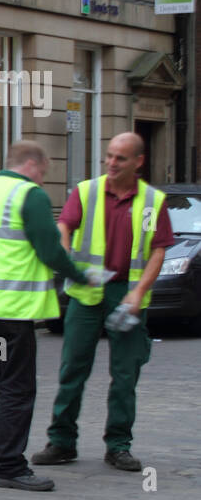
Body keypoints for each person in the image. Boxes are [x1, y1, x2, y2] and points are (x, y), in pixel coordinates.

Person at [0, 140, 98, 492]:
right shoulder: (29, 195)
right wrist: (81, 276)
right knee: (16, 388)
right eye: (44, 172)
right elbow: (50, 249)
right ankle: (9, 465)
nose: (43, 180)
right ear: (33, 165)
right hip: (12, 310)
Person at [32, 132, 174, 471]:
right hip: (86, 292)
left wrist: (138, 293)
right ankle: (61, 443)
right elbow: (64, 227)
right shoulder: (87, 191)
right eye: (109, 155)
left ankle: (119, 446)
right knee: (72, 370)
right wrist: (66, 258)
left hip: (125, 294)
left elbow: (158, 249)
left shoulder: (152, 201)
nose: (111, 163)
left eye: (120, 158)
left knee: (125, 375)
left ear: (138, 162)